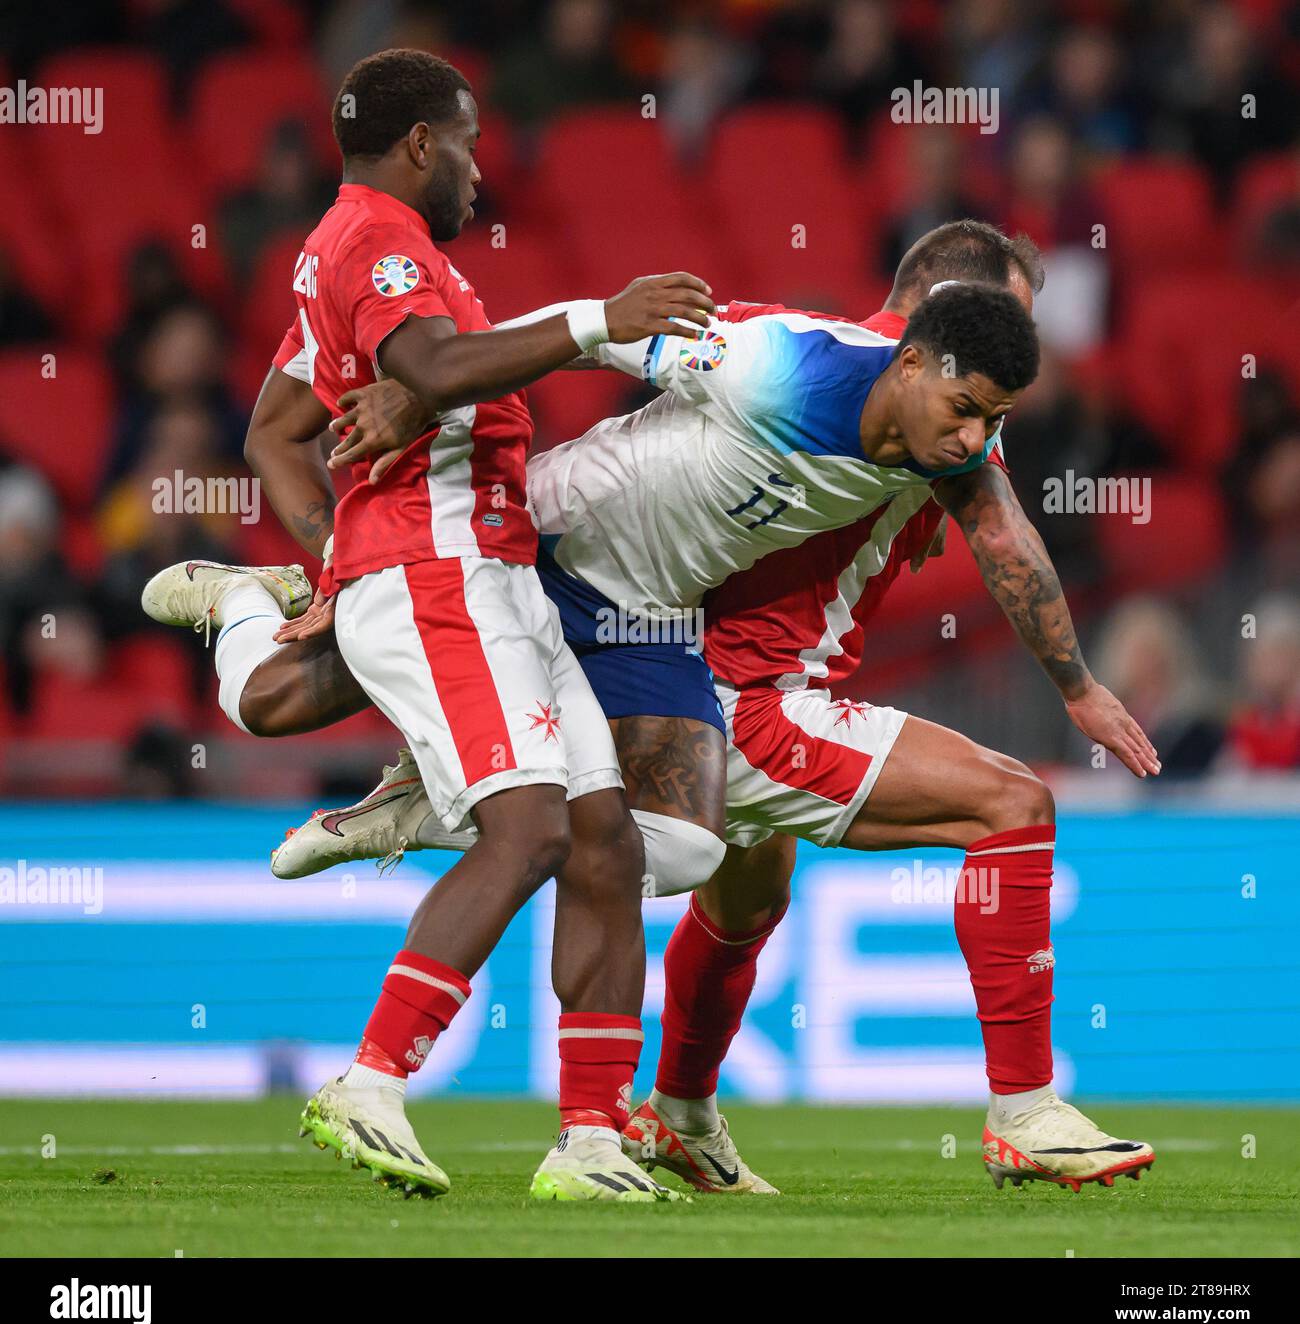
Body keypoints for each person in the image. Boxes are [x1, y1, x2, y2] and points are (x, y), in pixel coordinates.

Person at [152, 214, 1158, 1193]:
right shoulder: (781, 360)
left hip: (653, 630)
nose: (991, 421)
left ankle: (652, 1110)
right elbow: (604, 335)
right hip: (573, 572)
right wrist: (423, 395)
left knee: (722, 874)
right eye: (982, 363)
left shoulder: (951, 441)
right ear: (926, 334)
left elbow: (1006, 535)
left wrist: (1074, 680)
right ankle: (1019, 1110)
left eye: (1004, 401)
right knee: (281, 699)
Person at [141, 48, 716, 1203]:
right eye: (466, 143)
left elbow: (273, 429)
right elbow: (434, 366)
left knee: (602, 837)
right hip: (440, 569)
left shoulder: (345, 252)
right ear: (418, 144)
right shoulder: (381, 247)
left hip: (484, 571)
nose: (478, 169)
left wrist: (329, 556)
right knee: (530, 832)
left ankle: (593, 1137)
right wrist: (596, 322)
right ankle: (371, 1079)